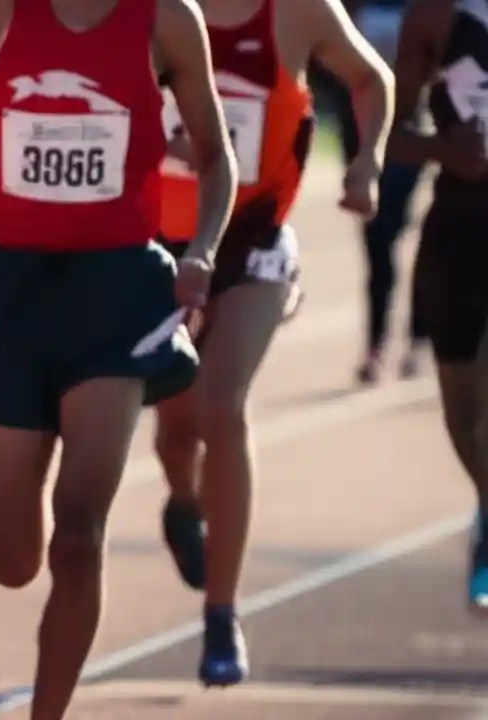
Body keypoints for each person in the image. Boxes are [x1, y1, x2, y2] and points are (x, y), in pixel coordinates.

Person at [0, 0, 235, 713]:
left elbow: (216, 158)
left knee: (78, 538)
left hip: (115, 291)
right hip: (11, 293)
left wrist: (202, 251)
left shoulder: (166, 19)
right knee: (11, 561)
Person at [153, 0, 393, 686]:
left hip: (252, 242)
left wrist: (366, 161)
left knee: (221, 406)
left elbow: (371, 78)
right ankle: (182, 499)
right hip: (161, 245)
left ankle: (222, 613)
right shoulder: (154, 13)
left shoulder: (297, 13)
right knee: (177, 431)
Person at [388, 0, 488, 611]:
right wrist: (443, 151)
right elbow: (388, 133)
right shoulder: (434, 17)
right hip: (458, 228)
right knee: (461, 411)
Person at [323, 0, 430, 384]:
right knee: (376, 241)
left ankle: (417, 337)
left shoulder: (421, 8)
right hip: (362, 138)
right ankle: (377, 345)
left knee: (402, 233)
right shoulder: (351, 5)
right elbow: (330, 62)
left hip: (408, 138)